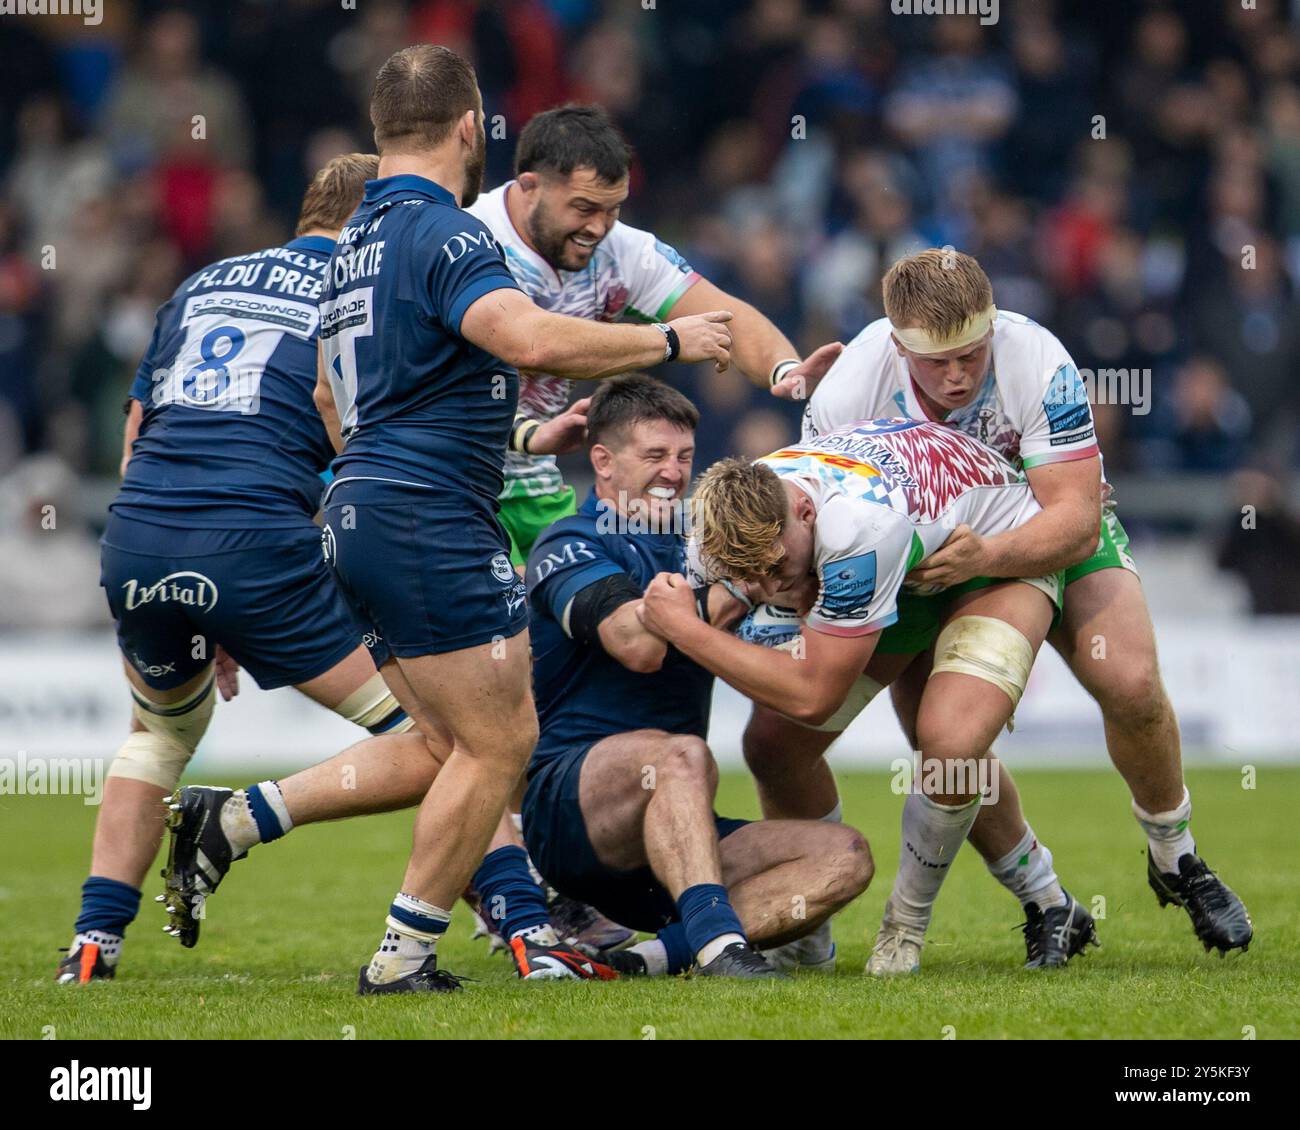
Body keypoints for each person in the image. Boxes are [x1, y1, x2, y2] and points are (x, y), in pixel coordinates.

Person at [312, 46, 734, 995]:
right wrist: (668, 338)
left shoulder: (352, 248)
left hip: (357, 507)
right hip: (428, 512)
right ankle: (404, 954)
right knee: (501, 742)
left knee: (444, 744)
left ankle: (276, 841)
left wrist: (526, 438)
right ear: (471, 129)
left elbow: (329, 398)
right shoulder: (448, 234)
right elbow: (529, 335)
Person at [777, 249, 1251, 962]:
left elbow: (1076, 522)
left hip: (1040, 527)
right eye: (937, 363)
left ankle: (1175, 856)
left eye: (973, 353)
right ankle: (1046, 900)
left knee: (1130, 680)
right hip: (923, 559)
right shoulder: (849, 388)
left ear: (992, 325)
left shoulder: (1038, 358)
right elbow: (827, 522)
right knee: (940, 743)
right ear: (897, 342)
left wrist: (989, 557)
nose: (960, 375)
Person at [58, 153, 435, 984]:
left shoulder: (204, 281)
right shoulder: (361, 295)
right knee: (439, 741)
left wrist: (211, 603)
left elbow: (135, 437)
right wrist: (243, 587)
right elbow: (350, 444)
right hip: (256, 542)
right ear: (373, 220)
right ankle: (512, 923)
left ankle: (92, 947)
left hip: (139, 535)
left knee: (158, 735)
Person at [641, 416, 1100, 975]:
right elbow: (750, 595)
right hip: (910, 561)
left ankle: (907, 925)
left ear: (804, 513)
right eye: (747, 574)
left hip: (992, 551)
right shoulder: (728, 521)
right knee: (773, 747)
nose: (769, 588)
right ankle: (808, 938)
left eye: (776, 568)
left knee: (951, 744)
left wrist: (689, 631)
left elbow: (814, 696)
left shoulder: (856, 531)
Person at [521, 374, 873, 978]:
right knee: (683, 756)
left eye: (684, 456)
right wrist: (735, 590)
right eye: (654, 455)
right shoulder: (568, 543)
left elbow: (786, 603)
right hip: (574, 811)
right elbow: (635, 644)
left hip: (675, 834)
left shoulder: (702, 543)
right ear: (602, 461)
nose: (673, 472)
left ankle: (638, 962)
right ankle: (720, 951)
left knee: (845, 855)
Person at [465, 103, 845, 570]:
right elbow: (535, 343)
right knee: (499, 630)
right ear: (529, 186)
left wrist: (782, 368)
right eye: (583, 208)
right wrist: (667, 341)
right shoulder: (469, 236)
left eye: (612, 209)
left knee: (582, 612)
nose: (598, 229)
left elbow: (724, 314)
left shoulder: (623, 251)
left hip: (537, 476)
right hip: (452, 478)